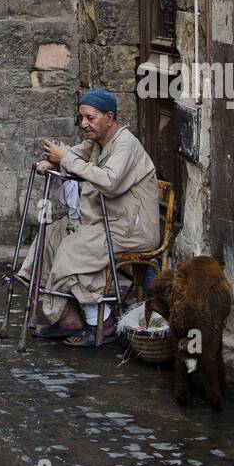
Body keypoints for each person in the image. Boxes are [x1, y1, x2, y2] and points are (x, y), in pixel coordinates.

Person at [17, 89, 160, 347]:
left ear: (109, 117)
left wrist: (66, 160)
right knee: (54, 234)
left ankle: (102, 324)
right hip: (105, 223)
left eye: (90, 118)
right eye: (81, 118)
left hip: (130, 229)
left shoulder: (126, 144)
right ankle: (67, 317)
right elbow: (75, 155)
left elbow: (110, 181)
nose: (84, 124)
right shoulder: (96, 143)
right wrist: (54, 162)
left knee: (76, 248)